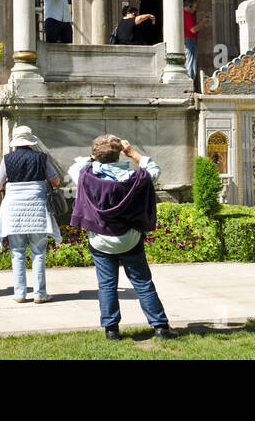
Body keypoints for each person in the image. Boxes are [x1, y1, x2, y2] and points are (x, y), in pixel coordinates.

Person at [69, 135, 178, 340]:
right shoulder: (135, 178)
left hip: (100, 238)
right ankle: (160, 327)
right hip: (129, 237)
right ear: (119, 153)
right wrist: (133, 153)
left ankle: (111, 330)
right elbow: (155, 170)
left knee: (107, 285)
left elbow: (73, 168)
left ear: (96, 155)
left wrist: (93, 157)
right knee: (143, 282)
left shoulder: (85, 176)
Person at [0, 126, 61, 303]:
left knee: (17, 252)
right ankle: (40, 294)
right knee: (39, 252)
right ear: (30, 141)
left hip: (14, 212)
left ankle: (20, 294)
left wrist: (9, 180)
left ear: (15, 142)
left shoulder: (7, 159)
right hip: (37, 210)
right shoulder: (41, 158)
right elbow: (56, 180)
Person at [183, 0, 210, 81]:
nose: (195, 9)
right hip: (189, 41)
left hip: (188, 40)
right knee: (190, 63)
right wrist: (203, 22)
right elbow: (193, 30)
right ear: (189, 6)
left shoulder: (185, 15)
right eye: (194, 7)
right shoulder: (187, 15)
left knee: (189, 62)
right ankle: (190, 84)